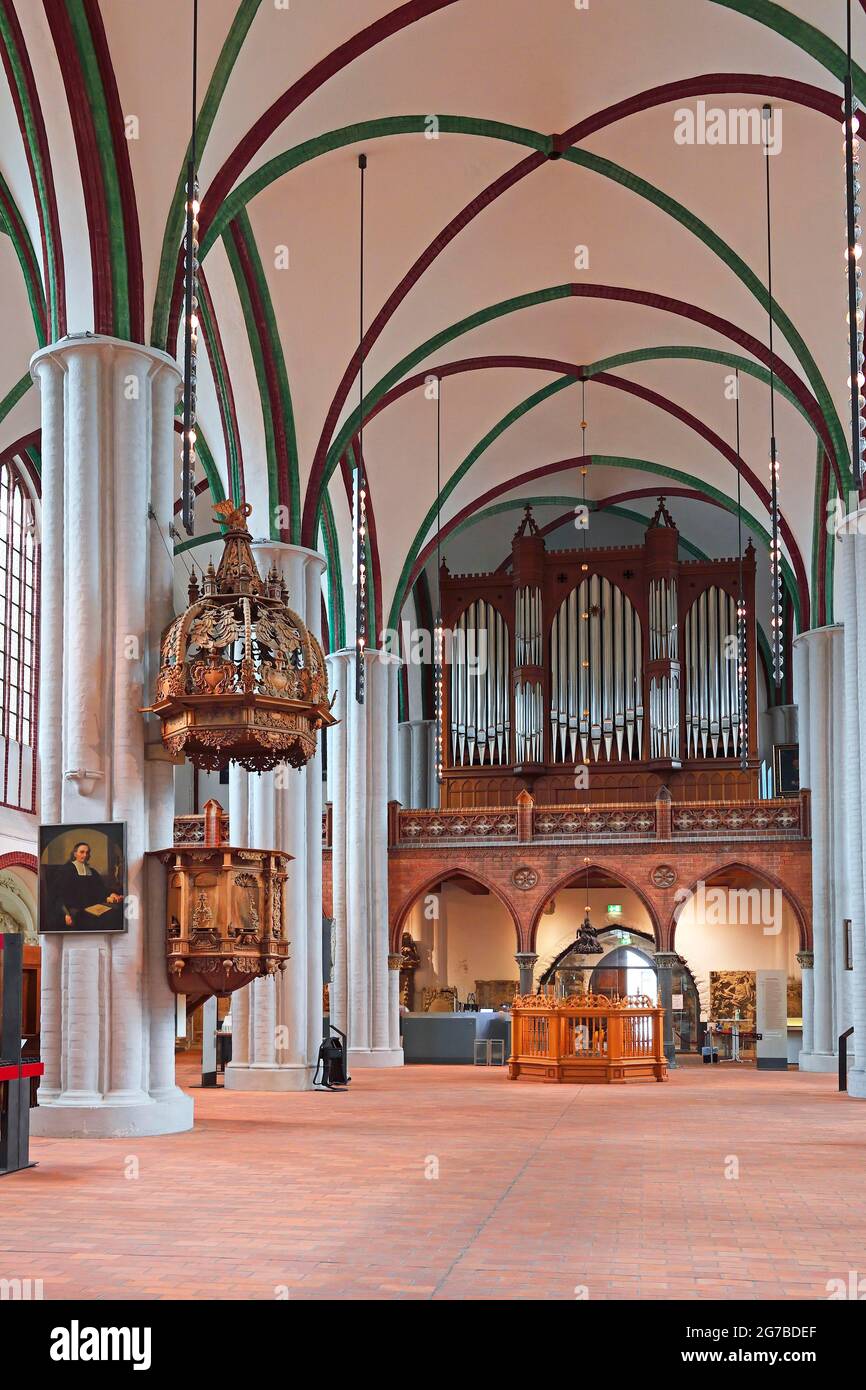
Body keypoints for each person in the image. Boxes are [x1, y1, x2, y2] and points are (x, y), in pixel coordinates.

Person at [55, 842, 124, 931]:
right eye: (82, 852)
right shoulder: (66, 870)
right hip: (75, 909)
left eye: (87, 852)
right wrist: (65, 914)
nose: (85, 855)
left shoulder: (92, 871)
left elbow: (101, 889)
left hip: (93, 908)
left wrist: (111, 894)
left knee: (114, 912)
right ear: (75, 854)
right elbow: (58, 895)